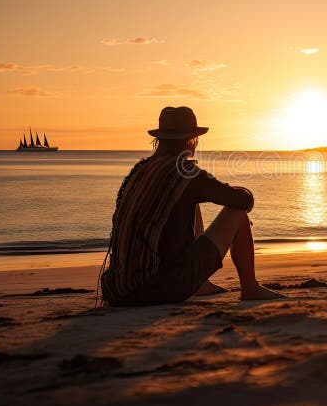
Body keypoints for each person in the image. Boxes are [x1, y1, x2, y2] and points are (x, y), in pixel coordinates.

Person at [99, 106, 283, 306]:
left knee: (190, 203)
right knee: (236, 214)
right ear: (191, 140)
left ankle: (202, 285)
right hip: (158, 288)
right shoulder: (185, 172)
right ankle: (250, 288)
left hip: (119, 290)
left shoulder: (140, 171)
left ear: (159, 140)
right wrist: (242, 193)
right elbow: (242, 201)